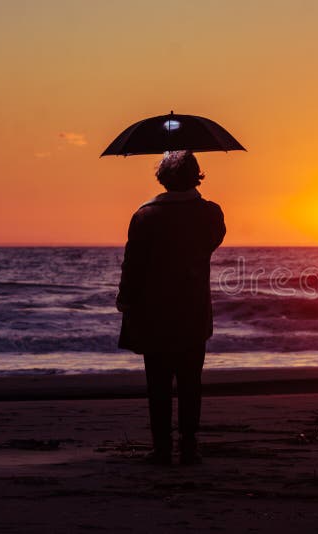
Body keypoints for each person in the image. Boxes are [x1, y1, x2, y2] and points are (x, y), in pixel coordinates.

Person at [116, 150, 226, 465]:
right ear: (197, 176)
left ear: (162, 179)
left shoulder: (145, 215)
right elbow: (212, 241)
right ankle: (189, 445)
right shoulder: (210, 214)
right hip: (192, 310)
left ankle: (162, 447)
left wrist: (125, 298)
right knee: (191, 381)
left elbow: (132, 265)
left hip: (155, 313)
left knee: (158, 383)